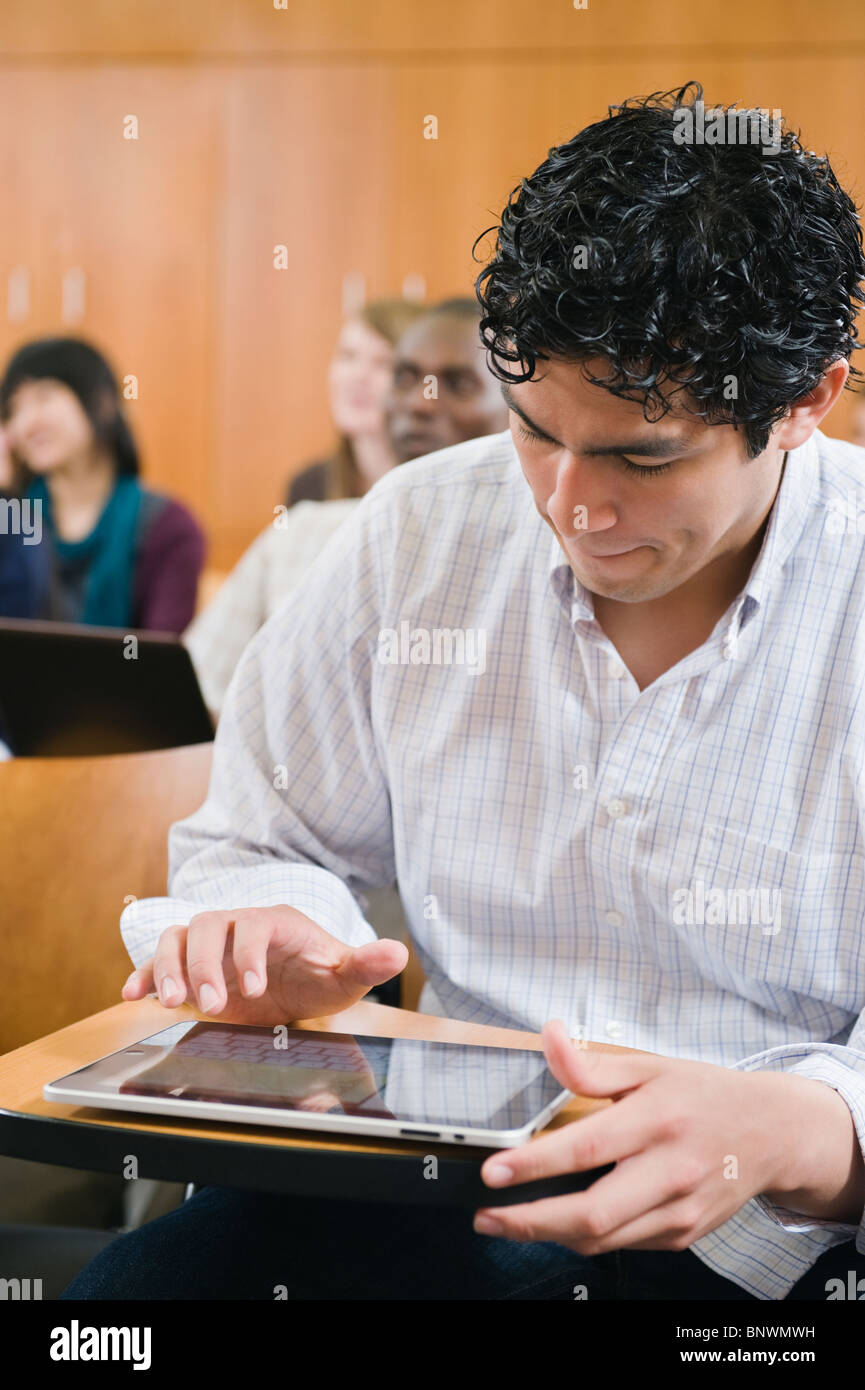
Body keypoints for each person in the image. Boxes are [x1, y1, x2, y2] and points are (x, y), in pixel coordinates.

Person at [65, 82, 865, 1301]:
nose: (569, 507)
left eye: (642, 457)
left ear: (806, 398)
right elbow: (259, 837)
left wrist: (808, 1130)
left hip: (765, 1240)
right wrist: (285, 928)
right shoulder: (419, 535)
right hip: (433, 1187)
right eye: (537, 430)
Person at [184, 298, 508, 716]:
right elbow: (197, 684)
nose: (421, 402)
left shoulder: (540, 554)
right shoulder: (304, 530)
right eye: (405, 378)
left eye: (458, 384)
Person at [0, 338, 205, 632]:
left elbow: (160, 662)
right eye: (13, 408)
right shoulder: (10, 521)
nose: (25, 424)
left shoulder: (168, 527)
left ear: (102, 401)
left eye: (43, 397)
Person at [285, 298, 424, 505]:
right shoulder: (310, 486)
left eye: (383, 362)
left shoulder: (433, 484)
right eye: (348, 356)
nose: (358, 376)